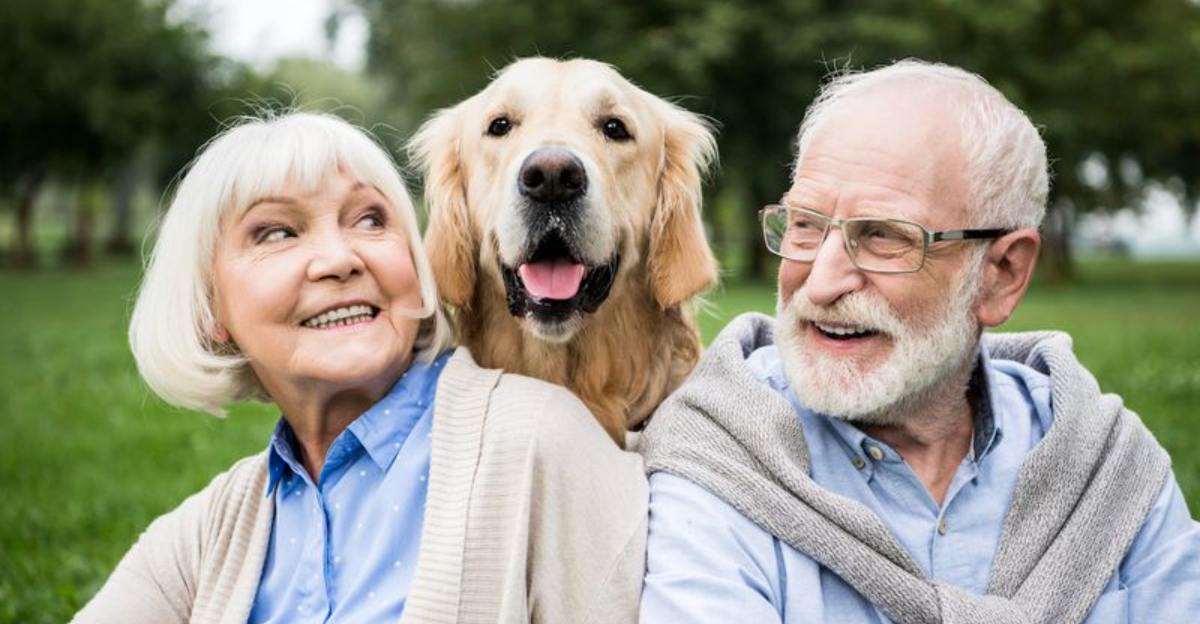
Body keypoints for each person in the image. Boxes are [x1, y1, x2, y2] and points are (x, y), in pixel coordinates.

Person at [639, 60, 1200, 623]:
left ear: (1001, 275)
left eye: (882, 235)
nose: (822, 281)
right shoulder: (719, 456)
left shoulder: (1106, 467)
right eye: (805, 225)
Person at [71, 111, 647, 624]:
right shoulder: (206, 535)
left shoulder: (539, 441)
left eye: (371, 220)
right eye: (276, 232)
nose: (339, 259)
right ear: (209, 310)